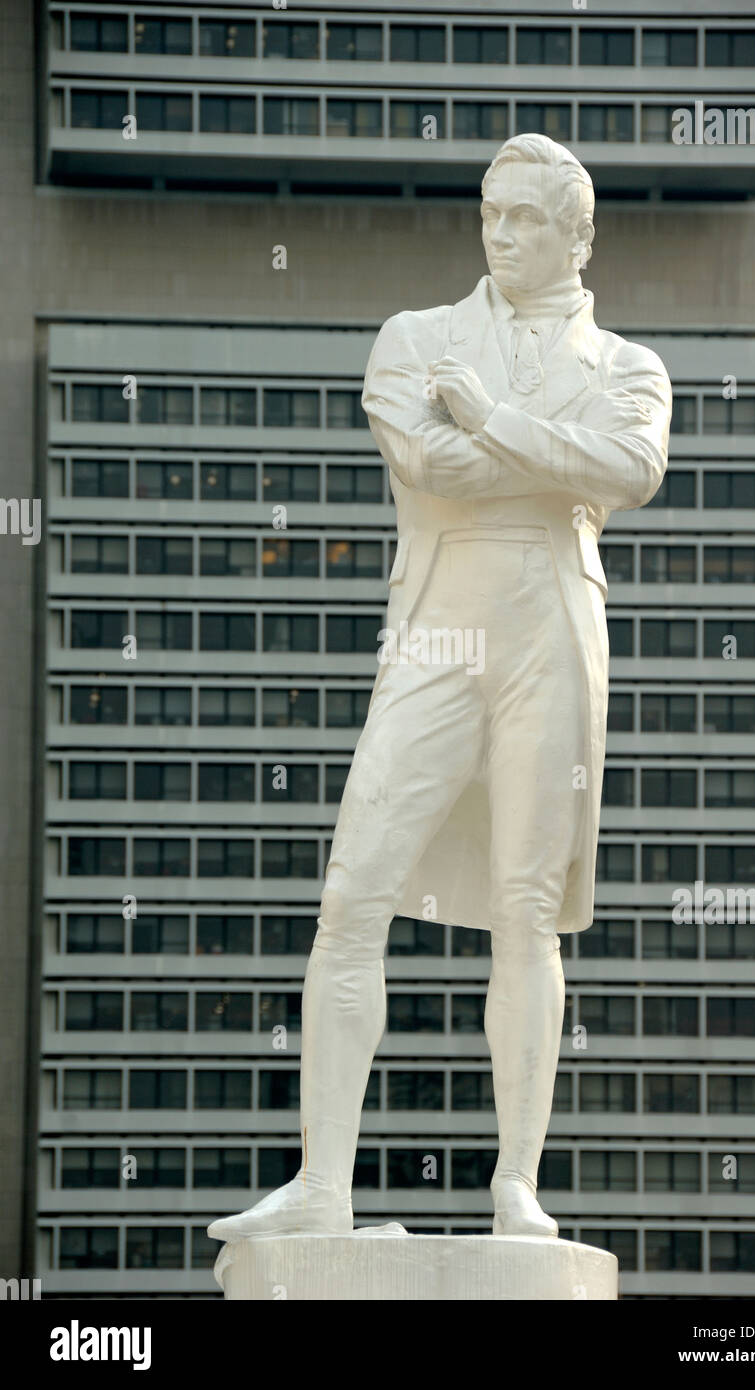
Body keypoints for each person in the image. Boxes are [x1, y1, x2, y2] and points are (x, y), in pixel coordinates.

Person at [208, 133, 672, 1245]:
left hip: (551, 636)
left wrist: (500, 424)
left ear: (578, 231)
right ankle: (324, 1179)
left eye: (523, 215)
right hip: (440, 629)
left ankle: (516, 1179)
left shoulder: (628, 365)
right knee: (354, 885)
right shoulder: (414, 339)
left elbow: (631, 469)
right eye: (489, 212)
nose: (500, 231)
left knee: (524, 908)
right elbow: (433, 466)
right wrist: (538, 456)